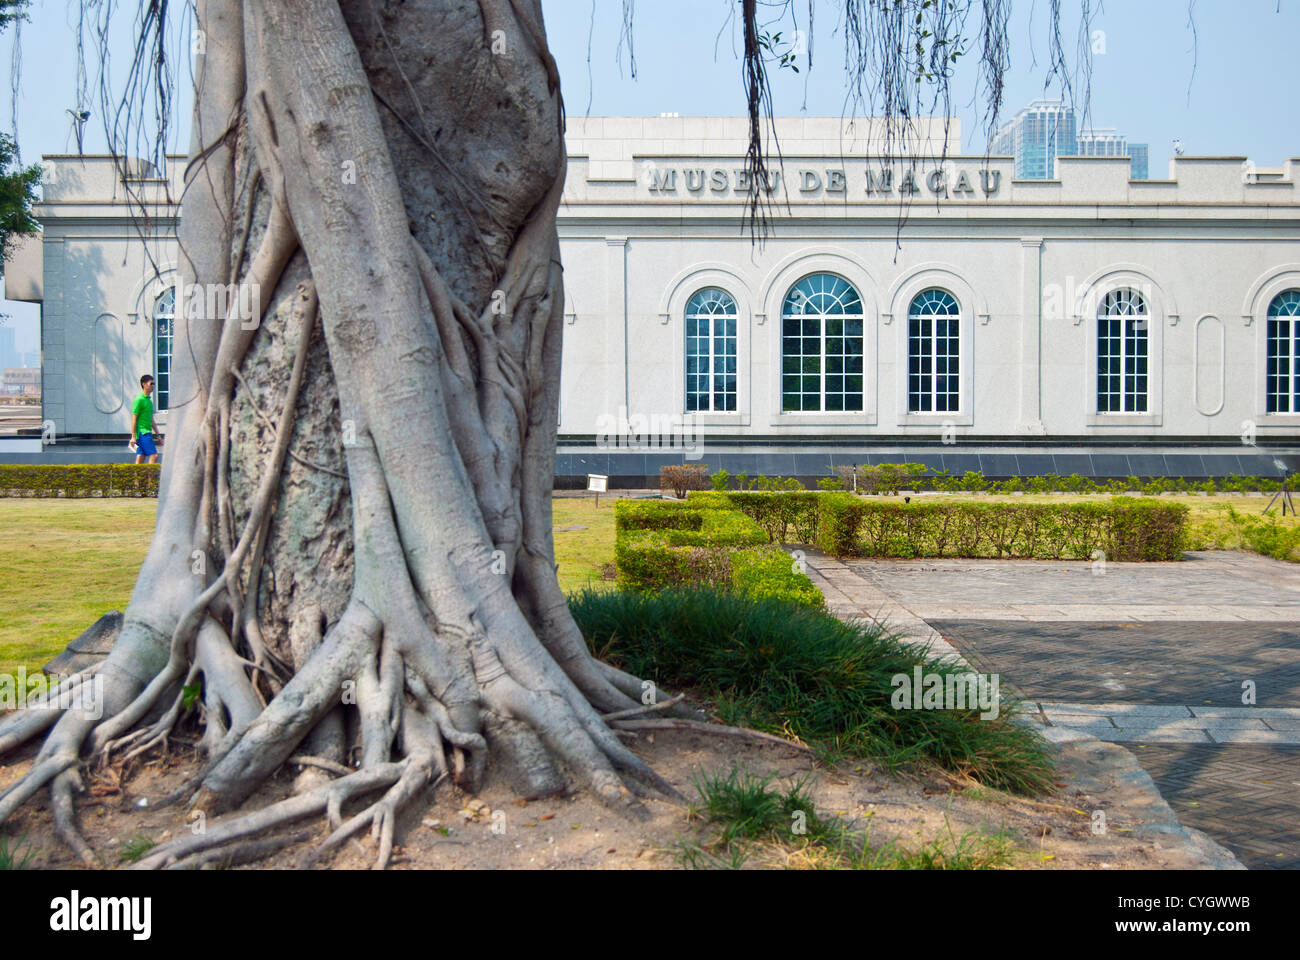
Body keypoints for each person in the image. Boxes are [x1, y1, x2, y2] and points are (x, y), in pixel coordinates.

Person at [128, 374, 160, 464]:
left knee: (141, 457)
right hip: (142, 433)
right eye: (151, 383)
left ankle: (136, 474)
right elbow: (134, 419)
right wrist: (133, 436)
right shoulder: (139, 400)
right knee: (154, 455)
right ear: (144, 384)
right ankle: (150, 474)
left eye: (154, 384)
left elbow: (151, 420)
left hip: (147, 432)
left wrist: (158, 435)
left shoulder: (149, 401)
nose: (153, 386)